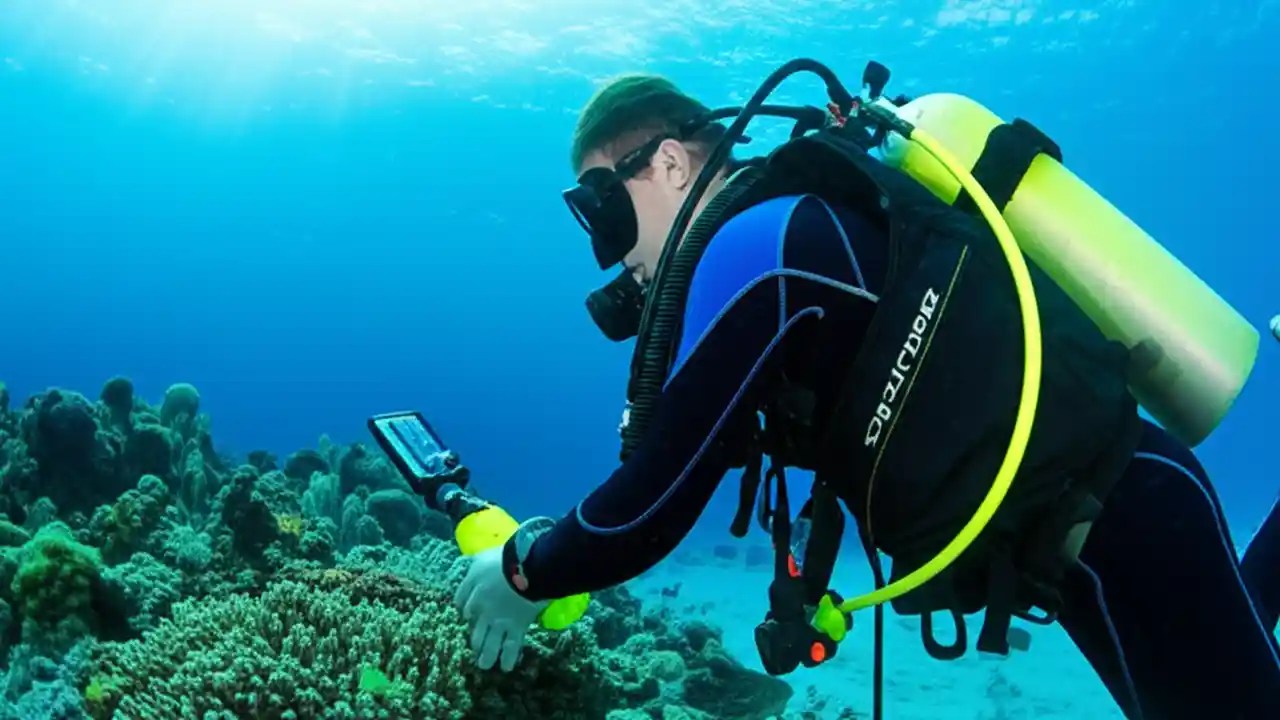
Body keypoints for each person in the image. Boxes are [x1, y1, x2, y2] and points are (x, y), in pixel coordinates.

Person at [453, 68, 1280, 719]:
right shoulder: (779, 235)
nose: (609, 253)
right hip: (1094, 537)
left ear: (668, 164)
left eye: (603, 209)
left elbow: (655, 500)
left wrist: (526, 573)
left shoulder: (760, 249)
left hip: (1123, 521)